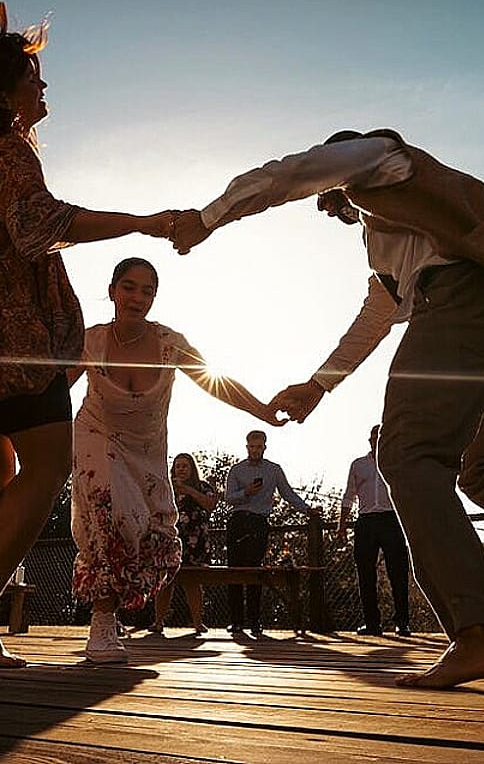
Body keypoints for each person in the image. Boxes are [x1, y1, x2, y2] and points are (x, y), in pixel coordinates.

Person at [171, 128, 484, 688]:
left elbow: (288, 174)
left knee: (407, 456)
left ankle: (479, 633)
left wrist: (205, 219)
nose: (329, 208)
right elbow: (379, 312)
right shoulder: (395, 231)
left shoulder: (381, 159)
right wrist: (317, 385)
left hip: (467, 293)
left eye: (330, 196)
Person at [0, 5, 186, 667]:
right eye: (34, 79)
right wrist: (144, 221)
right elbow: (37, 224)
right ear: (5, 94)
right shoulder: (9, 147)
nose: (44, 90)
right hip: (8, 336)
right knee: (47, 467)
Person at [68, 258, 282, 663]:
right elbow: (50, 388)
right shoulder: (90, 341)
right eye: (129, 287)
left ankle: (115, 616)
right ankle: (102, 624)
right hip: (95, 436)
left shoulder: (169, 342)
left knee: (148, 529)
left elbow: (214, 380)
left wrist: (261, 409)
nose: (137, 297)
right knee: (109, 512)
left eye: (147, 291)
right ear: (113, 290)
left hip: (146, 450)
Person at [223, 430, 319, 634]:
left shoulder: (273, 470)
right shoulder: (236, 470)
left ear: (265, 447)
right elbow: (228, 498)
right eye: (252, 446)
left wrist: (307, 509)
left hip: (259, 521)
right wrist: (245, 493)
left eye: (259, 446)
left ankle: (255, 620)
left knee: (255, 571)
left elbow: (288, 493)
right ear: (247, 446)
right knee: (235, 570)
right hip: (238, 520)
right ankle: (236, 620)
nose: (255, 450)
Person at [339, 424, 410, 637]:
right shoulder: (359, 465)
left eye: (380, 438)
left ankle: (403, 622)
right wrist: (342, 523)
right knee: (365, 574)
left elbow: (408, 493)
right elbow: (349, 494)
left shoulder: (398, 463)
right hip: (366, 521)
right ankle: (372, 623)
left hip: (392, 520)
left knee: (398, 572)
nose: (376, 442)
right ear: (369, 440)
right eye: (373, 439)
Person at [152, 452, 218, 634]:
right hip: (172, 538)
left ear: (192, 469)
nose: (181, 469)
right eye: (178, 466)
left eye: (185, 466)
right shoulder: (166, 488)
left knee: (192, 582)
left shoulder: (202, 486)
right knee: (166, 580)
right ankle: (158, 622)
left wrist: (189, 491)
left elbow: (210, 505)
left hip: (194, 541)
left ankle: (197, 623)